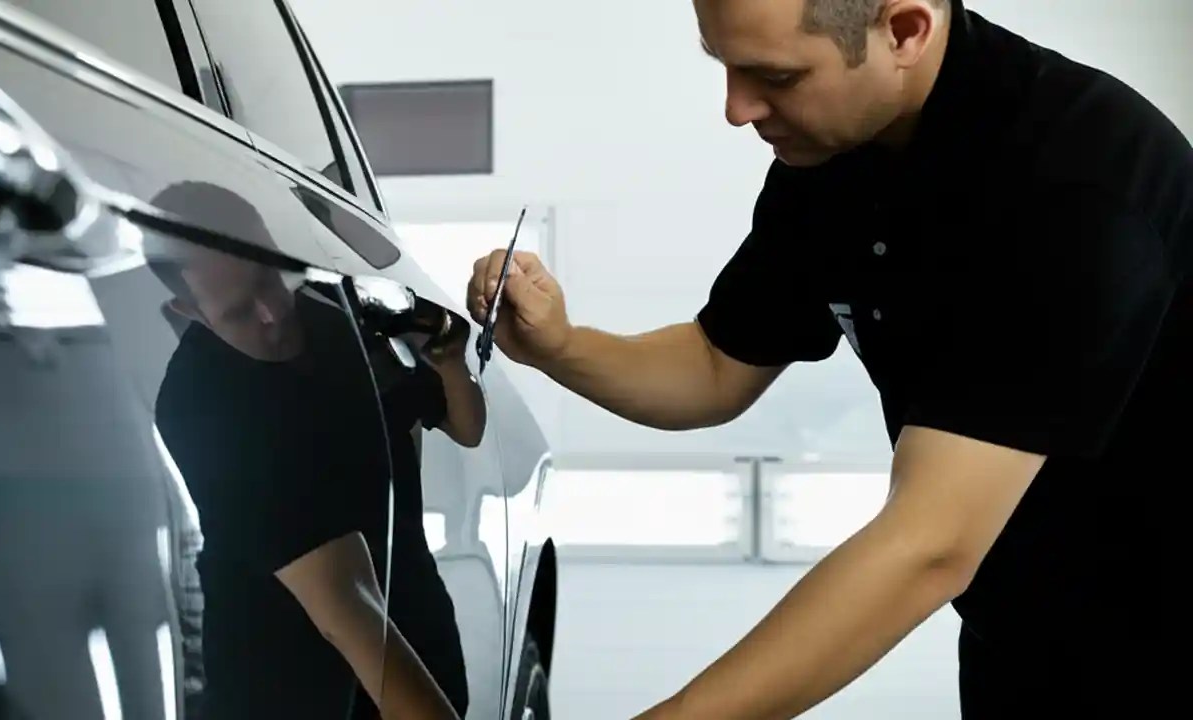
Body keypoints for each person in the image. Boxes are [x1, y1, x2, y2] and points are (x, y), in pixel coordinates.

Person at [468, 0, 1190, 717]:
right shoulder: (834, 155)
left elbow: (931, 543)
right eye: (724, 67)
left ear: (905, 30)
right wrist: (558, 347)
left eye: (775, 77)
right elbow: (716, 365)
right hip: (1021, 638)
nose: (737, 108)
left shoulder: (1078, 183)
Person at [147, 182, 473, 719]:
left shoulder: (338, 322)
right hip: (288, 690)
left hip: (413, 643)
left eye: (268, 277)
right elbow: (346, 604)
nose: (273, 313)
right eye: (238, 311)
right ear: (188, 309)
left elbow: (448, 420)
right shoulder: (202, 408)